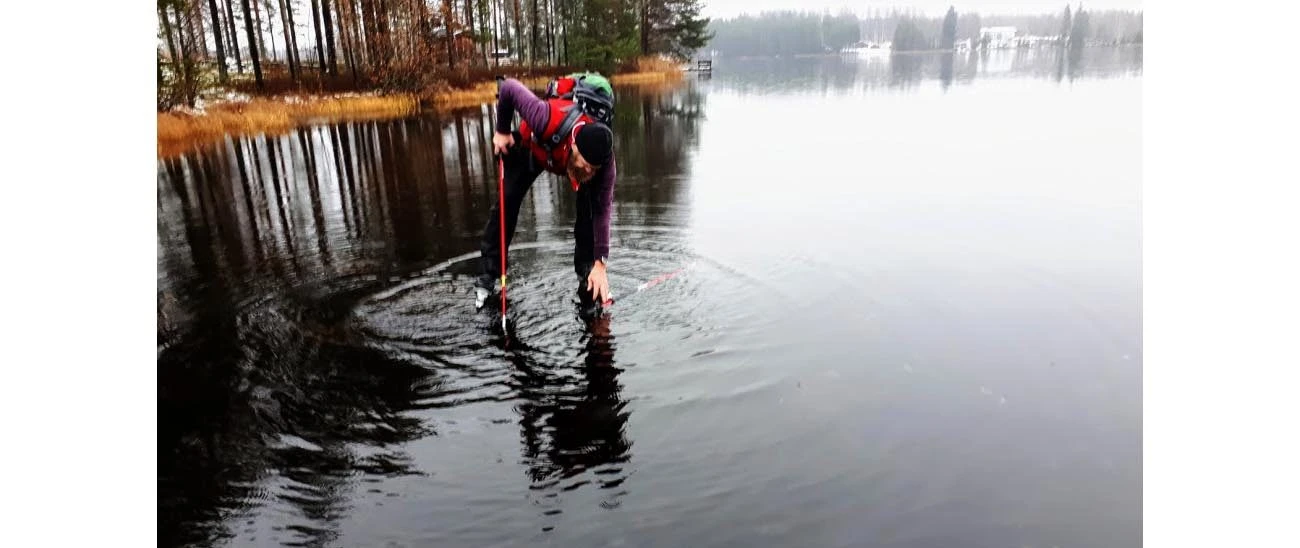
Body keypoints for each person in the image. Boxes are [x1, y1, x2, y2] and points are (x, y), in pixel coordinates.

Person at [475, 74, 617, 316]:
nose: (589, 171)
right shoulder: (545, 118)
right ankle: (488, 277)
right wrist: (502, 131)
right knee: (506, 203)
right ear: (574, 146)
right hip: (537, 149)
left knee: (589, 213)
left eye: (594, 169)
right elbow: (509, 88)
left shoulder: (603, 166)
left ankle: (588, 274)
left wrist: (600, 263)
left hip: (564, 158)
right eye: (586, 166)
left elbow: (603, 211)